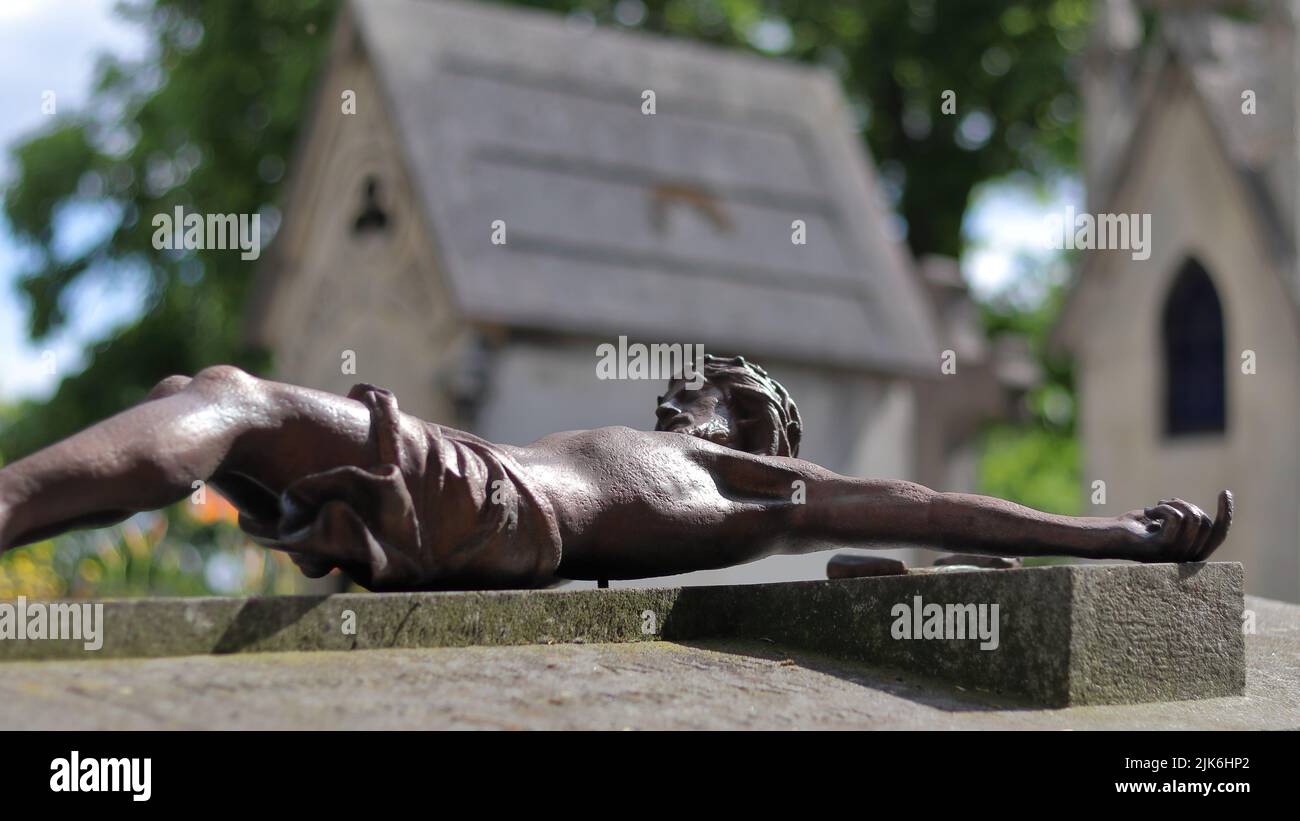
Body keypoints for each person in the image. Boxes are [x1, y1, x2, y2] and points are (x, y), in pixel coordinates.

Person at [0, 355, 1231, 590]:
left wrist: (1116, 534)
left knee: (236, 401)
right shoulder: (677, 449)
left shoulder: (751, 481)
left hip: (491, 504)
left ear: (758, 429)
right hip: (470, 485)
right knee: (190, 398)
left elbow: (940, 507)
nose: (677, 395)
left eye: (712, 391)